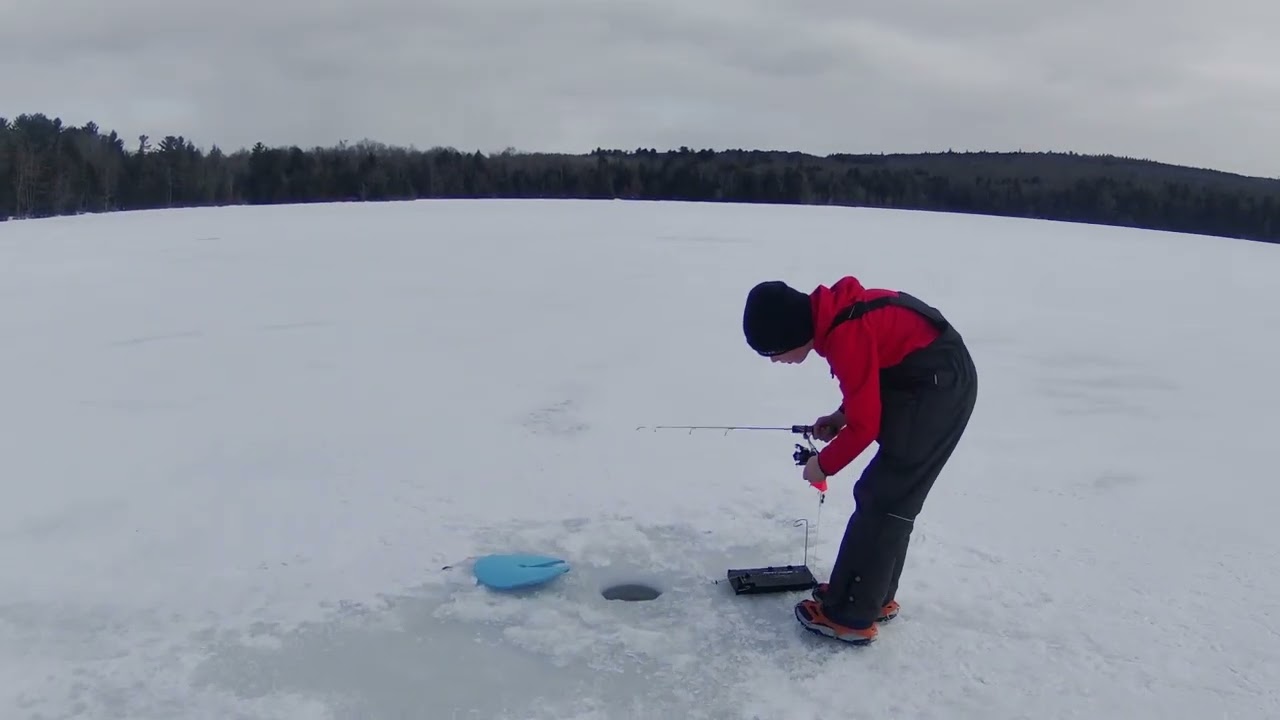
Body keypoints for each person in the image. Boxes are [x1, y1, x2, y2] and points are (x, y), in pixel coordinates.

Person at [741, 276, 978, 645]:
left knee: (884, 495)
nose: (774, 360)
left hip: (938, 388)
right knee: (890, 496)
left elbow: (866, 426)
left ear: (789, 332)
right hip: (925, 381)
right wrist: (840, 417)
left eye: (772, 351)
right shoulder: (837, 319)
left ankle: (850, 612)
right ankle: (872, 594)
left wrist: (823, 464)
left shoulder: (843, 332)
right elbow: (869, 380)